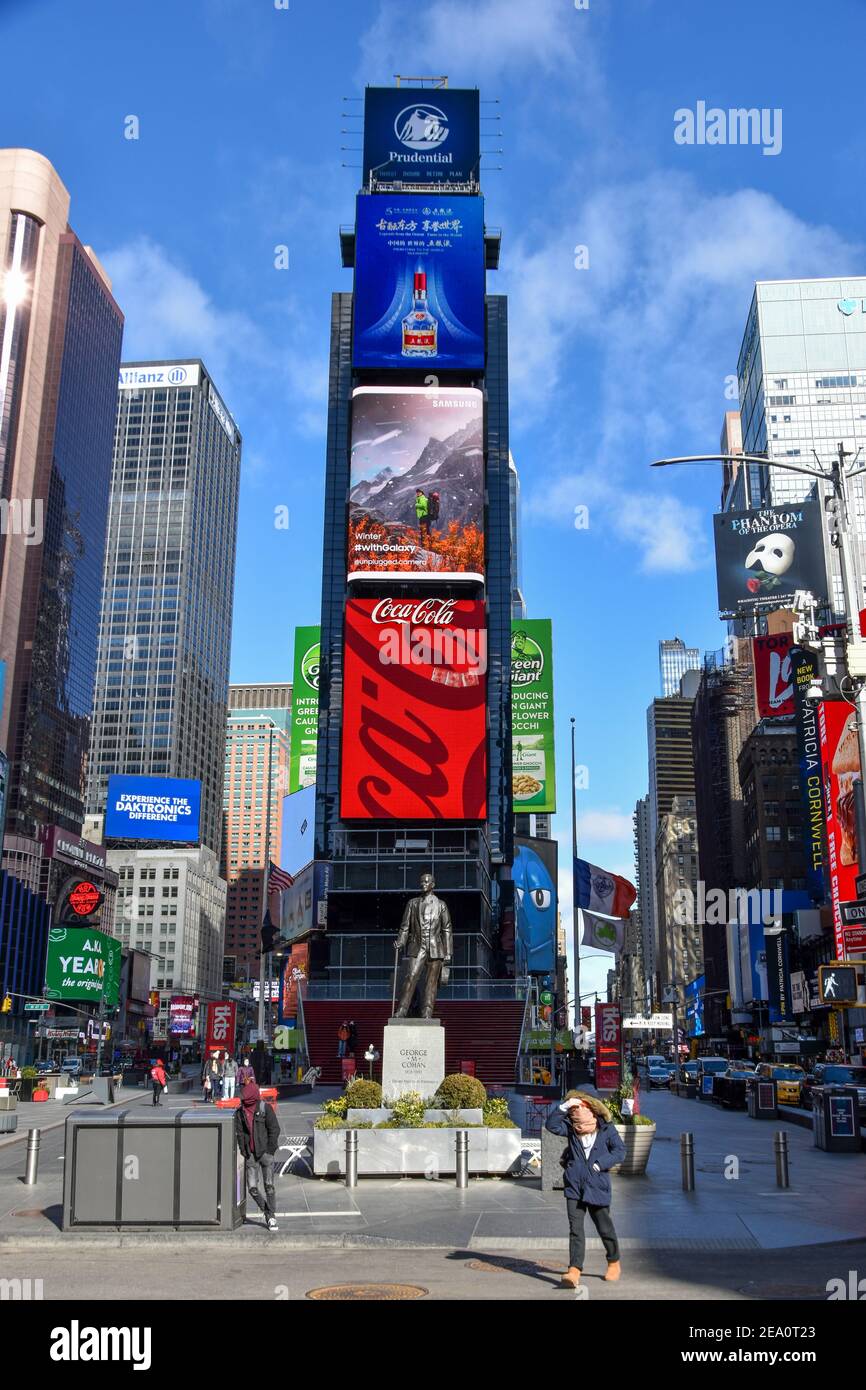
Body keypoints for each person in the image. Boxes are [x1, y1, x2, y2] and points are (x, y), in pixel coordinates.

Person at [545, 1090, 626, 1288]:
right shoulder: (571, 1128)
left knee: (604, 1227)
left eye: (581, 1106)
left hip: (597, 1185)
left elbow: (620, 1151)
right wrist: (563, 1106)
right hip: (574, 1186)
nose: (577, 1112)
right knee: (576, 1230)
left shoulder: (606, 1128)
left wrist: (600, 1164)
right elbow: (551, 1126)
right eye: (574, 1108)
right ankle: (574, 1270)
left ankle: (614, 1262)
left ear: (591, 1108)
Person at [235, 1080, 281, 1232]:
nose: (243, 1100)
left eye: (245, 1097)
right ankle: (268, 1211)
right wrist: (244, 1151)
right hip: (251, 1155)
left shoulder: (264, 1108)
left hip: (265, 1154)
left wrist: (270, 1150)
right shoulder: (240, 1112)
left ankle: (271, 1216)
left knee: (269, 1186)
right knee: (253, 1188)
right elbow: (240, 1133)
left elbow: (274, 1129)